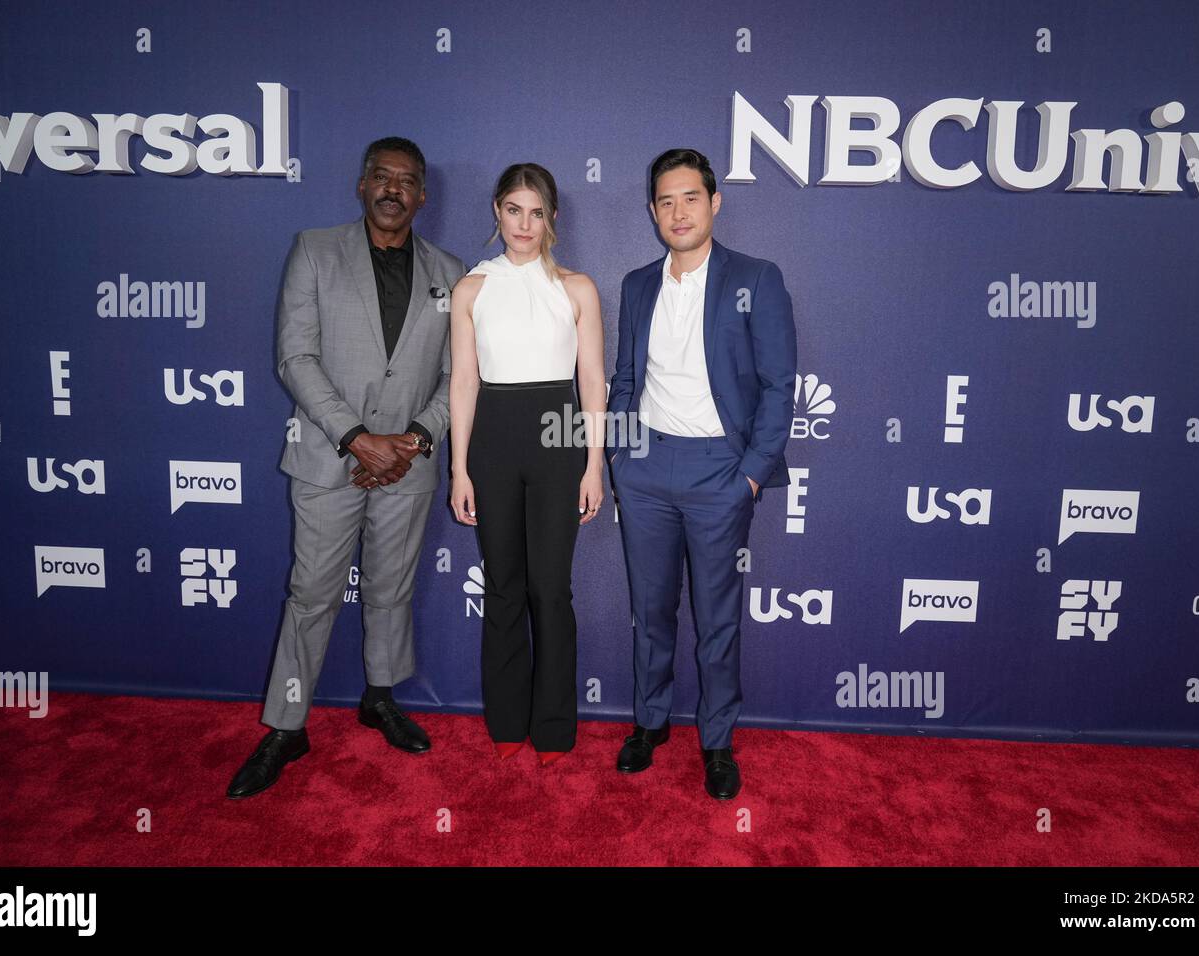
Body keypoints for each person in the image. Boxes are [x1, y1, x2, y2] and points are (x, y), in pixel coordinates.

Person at [227, 137, 467, 799]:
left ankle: (380, 697)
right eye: (382, 177)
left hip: (408, 464)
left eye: (408, 180)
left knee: (391, 588)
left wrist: (413, 441)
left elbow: (458, 376)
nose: (394, 189)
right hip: (331, 457)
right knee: (312, 596)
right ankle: (287, 725)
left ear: (423, 195)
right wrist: (358, 438)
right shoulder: (314, 250)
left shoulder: (451, 271)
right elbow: (294, 357)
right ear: (362, 186)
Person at [606, 148, 796, 800]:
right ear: (653, 210)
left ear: (714, 203)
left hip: (721, 470)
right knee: (650, 611)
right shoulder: (637, 285)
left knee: (717, 619)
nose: (678, 211)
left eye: (691, 197)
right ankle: (650, 723)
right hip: (647, 469)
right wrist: (619, 459)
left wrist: (749, 474)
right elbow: (626, 380)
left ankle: (716, 741)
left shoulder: (757, 277)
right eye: (666, 200)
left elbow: (778, 386)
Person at [448, 163, 605, 766]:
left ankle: (556, 727)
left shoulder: (579, 289)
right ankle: (507, 719)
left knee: (551, 589)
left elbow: (591, 379)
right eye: (514, 210)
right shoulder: (472, 289)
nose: (524, 224)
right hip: (492, 440)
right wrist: (460, 469)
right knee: (505, 588)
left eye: (537, 212)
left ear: (553, 219)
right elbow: (463, 381)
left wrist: (594, 465)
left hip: (559, 437)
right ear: (496, 211)